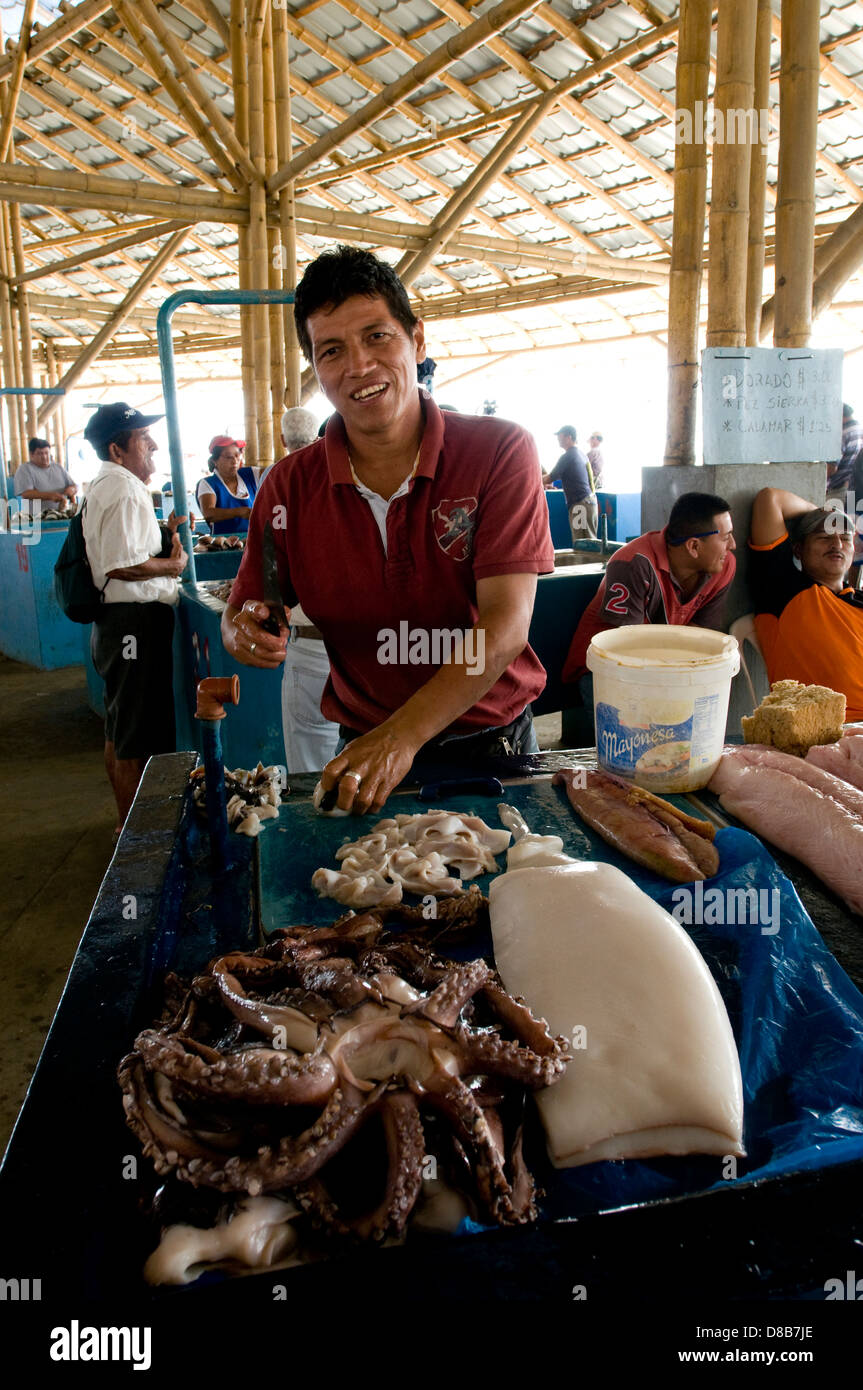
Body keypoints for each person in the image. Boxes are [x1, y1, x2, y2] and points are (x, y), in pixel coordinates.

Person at [222, 244, 553, 813]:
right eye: (332, 350)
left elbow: (505, 627)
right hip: (366, 750)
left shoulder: (499, 450)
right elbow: (248, 606)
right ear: (317, 371)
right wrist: (244, 633)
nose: (358, 366)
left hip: (492, 750)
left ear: (416, 340)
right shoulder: (287, 487)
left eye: (377, 336)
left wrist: (403, 737)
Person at [82, 403, 188, 831]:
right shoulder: (123, 488)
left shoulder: (110, 485)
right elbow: (119, 564)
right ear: (117, 449)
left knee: (121, 728)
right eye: (144, 439)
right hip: (134, 624)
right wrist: (173, 566)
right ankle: (138, 840)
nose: (154, 446)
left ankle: (130, 829)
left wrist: (166, 534)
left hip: (122, 623)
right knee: (135, 739)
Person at [563, 492, 736, 704]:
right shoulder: (633, 563)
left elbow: (697, 638)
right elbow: (627, 650)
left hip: (664, 669)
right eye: (726, 538)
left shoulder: (723, 566)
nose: (733, 545)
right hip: (606, 671)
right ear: (693, 546)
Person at [748, 487, 863, 720]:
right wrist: (821, 511)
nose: (837, 545)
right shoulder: (784, 588)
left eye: (844, 538)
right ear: (798, 550)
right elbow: (769, 499)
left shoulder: (858, 600)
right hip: (828, 730)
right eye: (824, 537)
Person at [271, 406, 341, 774]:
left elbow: (271, 588)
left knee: (315, 780)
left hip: (313, 646)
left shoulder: (285, 482)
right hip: (397, 650)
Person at [542, 426, 597, 543]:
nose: (558, 438)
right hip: (589, 502)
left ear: (569, 437)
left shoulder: (568, 456)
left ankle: (586, 562)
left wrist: (533, 480)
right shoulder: (581, 454)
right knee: (590, 541)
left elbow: (551, 477)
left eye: (560, 435)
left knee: (581, 543)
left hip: (580, 505)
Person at [196, 436, 257, 534]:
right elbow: (208, 514)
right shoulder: (208, 483)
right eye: (229, 457)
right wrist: (239, 512)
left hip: (253, 539)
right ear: (214, 461)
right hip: (225, 544)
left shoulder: (250, 474)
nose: (234, 461)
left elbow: (274, 472)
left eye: (237, 455)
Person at [13, 437, 77, 517]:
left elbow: (74, 486)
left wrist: (72, 489)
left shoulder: (58, 468)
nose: (44, 457)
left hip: (63, 515)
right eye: (40, 453)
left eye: (46, 453)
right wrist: (50, 496)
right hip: (37, 518)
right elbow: (26, 494)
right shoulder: (25, 469)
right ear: (31, 455)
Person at [827, 404, 863, 497]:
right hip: (853, 485)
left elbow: (831, 468)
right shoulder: (859, 429)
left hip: (838, 488)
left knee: (831, 510)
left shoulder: (842, 434)